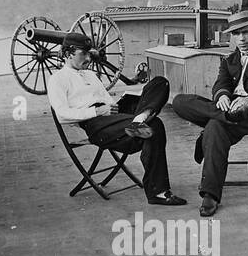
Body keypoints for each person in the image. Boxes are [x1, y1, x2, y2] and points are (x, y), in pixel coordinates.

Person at [48, 32, 186, 206]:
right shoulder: (57, 79)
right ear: (68, 54)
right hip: (96, 125)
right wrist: (97, 112)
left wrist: (117, 104)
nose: (89, 58)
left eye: (89, 53)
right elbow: (62, 114)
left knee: (160, 83)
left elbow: (108, 100)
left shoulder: (90, 75)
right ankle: (158, 192)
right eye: (83, 54)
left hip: (115, 117)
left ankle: (140, 118)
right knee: (155, 125)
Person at [172, 9, 248, 217]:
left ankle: (210, 196)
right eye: (236, 34)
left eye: (245, 32)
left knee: (214, 127)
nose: (241, 38)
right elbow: (220, 84)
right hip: (227, 110)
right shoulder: (228, 60)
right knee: (179, 101)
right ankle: (224, 115)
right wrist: (222, 96)